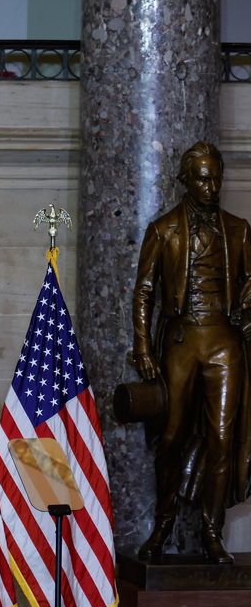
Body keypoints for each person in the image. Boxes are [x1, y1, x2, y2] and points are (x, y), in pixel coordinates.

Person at [132, 141, 251, 564]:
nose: (211, 185)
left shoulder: (237, 230)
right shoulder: (164, 229)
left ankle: (211, 529)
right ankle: (162, 524)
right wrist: (143, 346)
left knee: (222, 439)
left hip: (224, 344)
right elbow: (145, 290)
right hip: (182, 343)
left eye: (216, 177)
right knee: (171, 437)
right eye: (202, 177)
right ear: (185, 180)